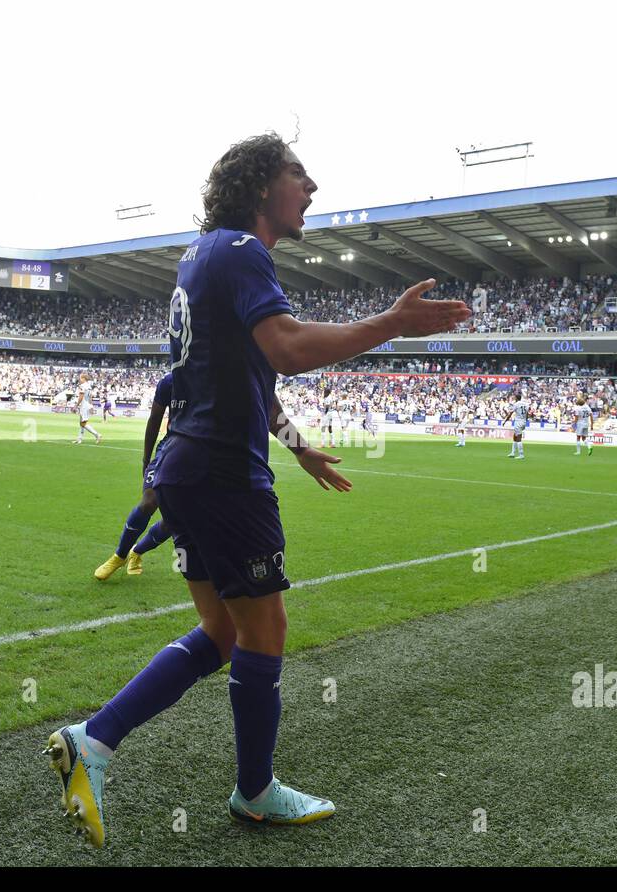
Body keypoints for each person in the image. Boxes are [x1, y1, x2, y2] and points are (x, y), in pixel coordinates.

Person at [46, 133, 469, 846]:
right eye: (298, 172)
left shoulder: (202, 257)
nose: (312, 186)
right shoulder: (242, 253)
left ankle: (94, 738)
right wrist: (393, 325)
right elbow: (289, 350)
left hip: (185, 470)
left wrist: (301, 450)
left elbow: (248, 379)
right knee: (263, 629)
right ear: (259, 184)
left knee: (221, 632)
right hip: (222, 476)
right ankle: (254, 792)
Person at [94, 371, 173, 580]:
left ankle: (137, 551)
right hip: (171, 446)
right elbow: (155, 417)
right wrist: (146, 459)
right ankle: (119, 556)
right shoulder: (171, 380)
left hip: (201, 453)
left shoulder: (215, 378)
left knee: (175, 520)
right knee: (149, 501)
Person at [73, 373, 102, 444]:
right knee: (82, 422)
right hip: (87, 405)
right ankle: (79, 439)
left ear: (83, 379)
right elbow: (90, 397)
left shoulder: (82, 386)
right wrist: (91, 406)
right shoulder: (89, 386)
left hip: (84, 405)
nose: (79, 379)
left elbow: (81, 397)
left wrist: (76, 405)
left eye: (80, 378)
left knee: (83, 423)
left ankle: (97, 435)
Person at [501, 391, 528, 459]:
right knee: (515, 436)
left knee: (518, 438)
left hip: (518, 422)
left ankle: (521, 455)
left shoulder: (516, 404)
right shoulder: (525, 404)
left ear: (516, 398)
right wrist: (525, 420)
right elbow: (527, 414)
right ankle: (512, 452)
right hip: (523, 421)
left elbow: (510, 414)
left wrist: (505, 421)